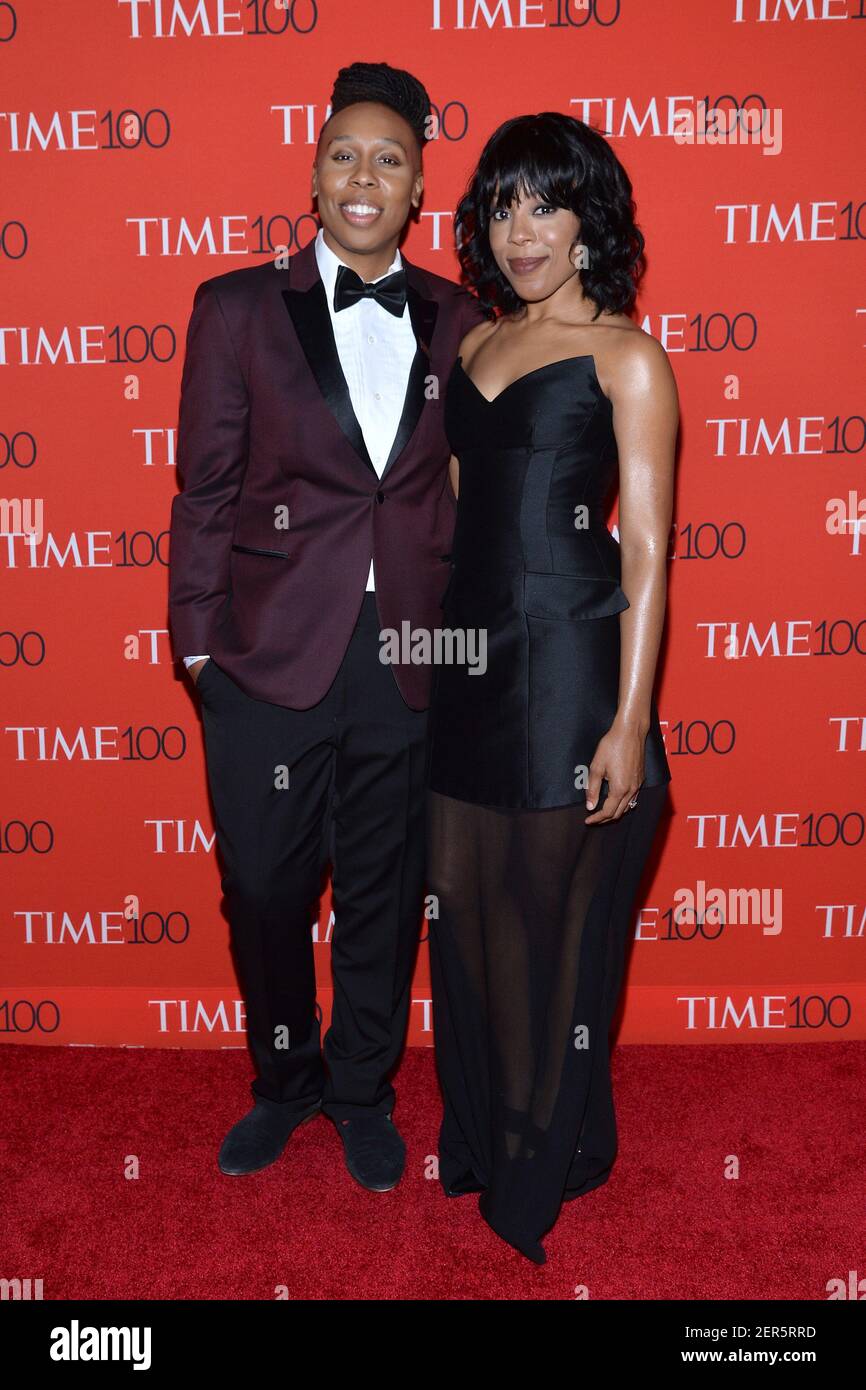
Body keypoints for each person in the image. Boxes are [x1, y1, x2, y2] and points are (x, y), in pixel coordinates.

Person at [168, 61, 486, 1189]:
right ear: (313, 173)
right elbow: (202, 490)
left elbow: (474, 493)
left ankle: (358, 1090)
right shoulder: (236, 309)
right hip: (263, 658)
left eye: (390, 158)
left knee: (383, 892)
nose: (365, 174)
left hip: (407, 658)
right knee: (259, 886)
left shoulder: (461, 317)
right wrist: (199, 650)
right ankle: (283, 1079)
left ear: (415, 189)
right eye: (346, 152)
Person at [425, 112, 678, 1263]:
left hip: (570, 666)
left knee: (544, 932)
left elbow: (642, 551)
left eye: (544, 203)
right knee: (467, 927)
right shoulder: (472, 349)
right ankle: (486, 1131)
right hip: (468, 668)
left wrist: (628, 719)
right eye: (500, 204)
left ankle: (541, 1151)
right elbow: (461, 525)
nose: (518, 229)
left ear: (588, 222)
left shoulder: (626, 356)